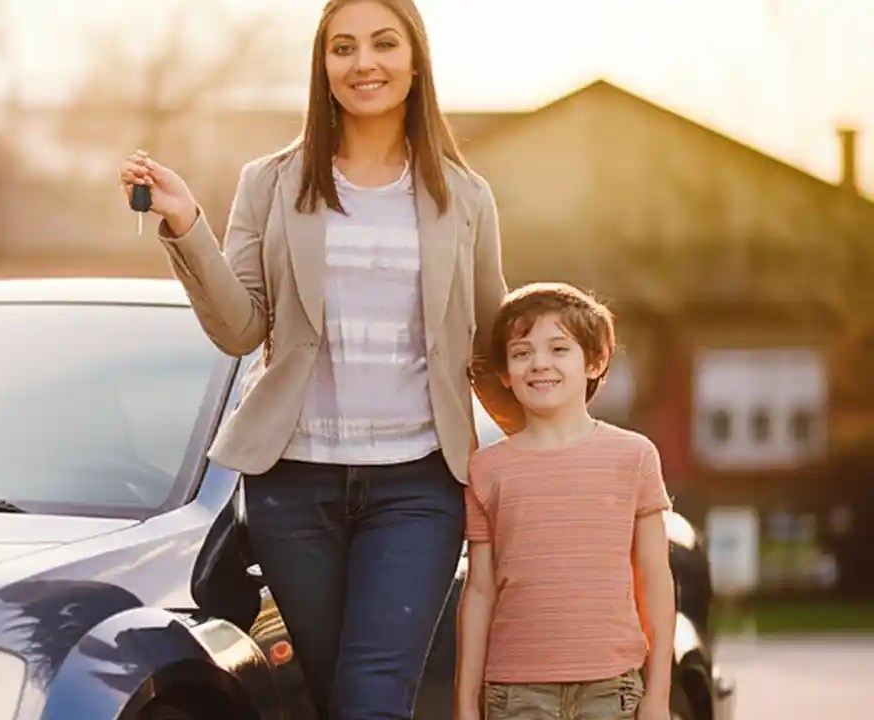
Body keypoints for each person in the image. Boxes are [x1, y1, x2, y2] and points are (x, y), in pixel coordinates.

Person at [118, 0, 522, 715]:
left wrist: (556, 440)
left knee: (371, 698)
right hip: (294, 486)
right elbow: (241, 329)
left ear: (416, 59)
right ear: (323, 66)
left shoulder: (466, 198)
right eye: (343, 48)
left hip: (418, 489)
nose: (363, 62)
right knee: (337, 696)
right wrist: (185, 225)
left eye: (383, 43)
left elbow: (491, 344)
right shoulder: (271, 182)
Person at [454, 282, 676, 720]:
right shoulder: (486, 469)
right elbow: (478, 592)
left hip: (611, 688)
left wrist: (659, 693)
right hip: (515, 694)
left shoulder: (634, 456)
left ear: (594, 363)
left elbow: (656, 579)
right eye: (521, 353)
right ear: (504, 374)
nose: (540, 364)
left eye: (559, 349)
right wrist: (465, 703)